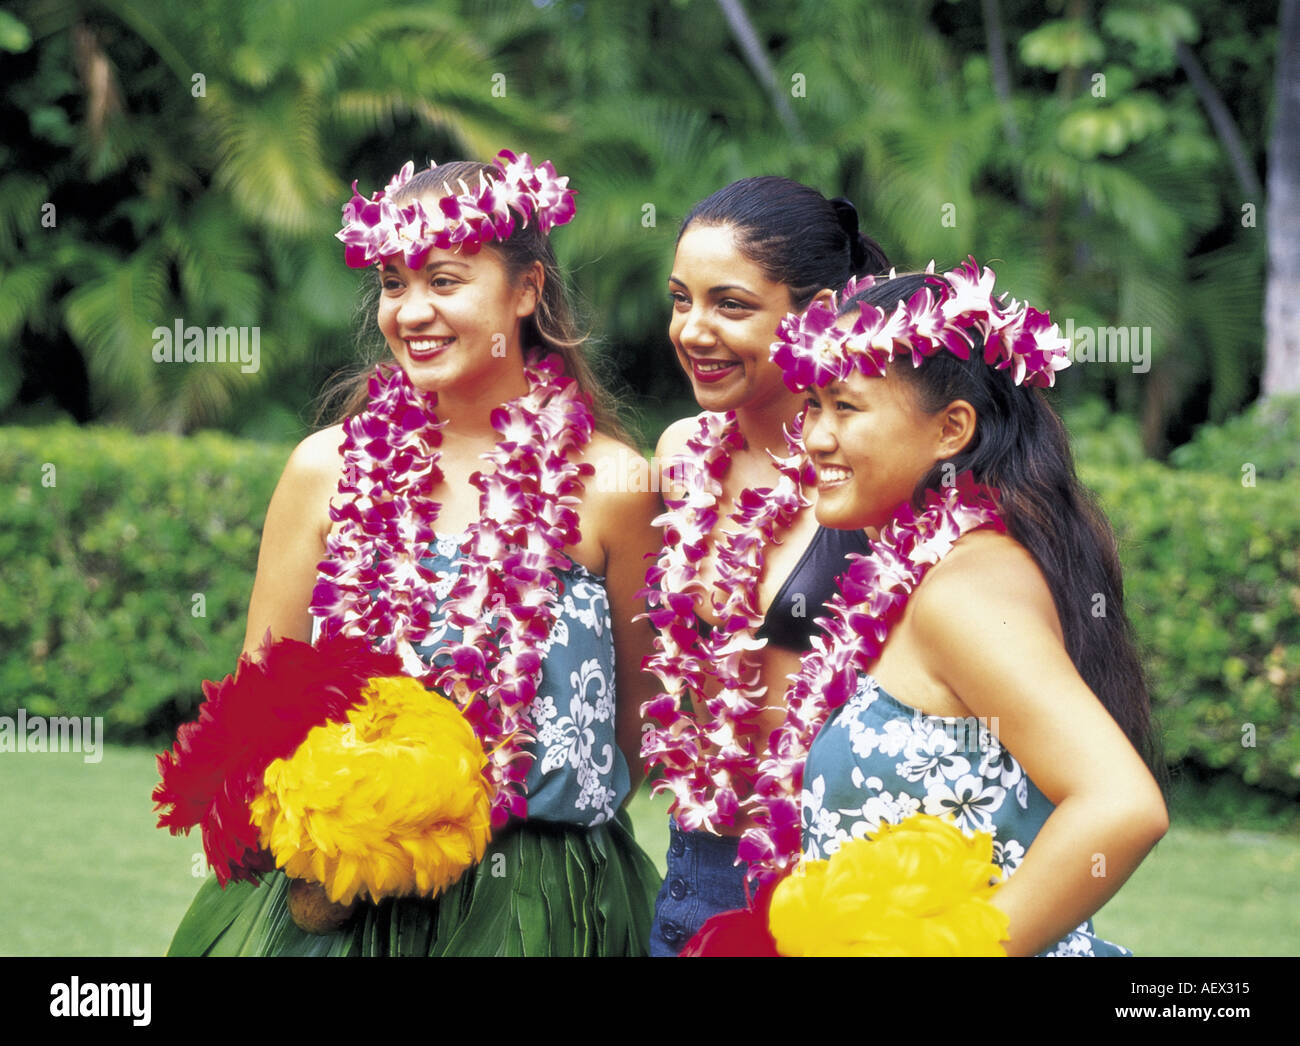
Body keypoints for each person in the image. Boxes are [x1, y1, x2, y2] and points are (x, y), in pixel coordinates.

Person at [164, 152, 662, 956]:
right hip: (347, 904)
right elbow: (258, 703)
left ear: (528, 289)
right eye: (394, 282)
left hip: (545, 902)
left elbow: (635, 725)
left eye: (445, 279)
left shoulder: (612, 484)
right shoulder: (325, 470)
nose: (411, 311)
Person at [759, 264, 1169, 955]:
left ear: (952, 429)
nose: (817, 438)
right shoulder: (920, 569)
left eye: (847, 407)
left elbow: (1121, 805)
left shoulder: (966, 590)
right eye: (812, 408)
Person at [642, 176, 890, 955]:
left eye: (732, 305)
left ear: (816, 314)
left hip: (834, 865)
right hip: (697, 853)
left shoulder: (873, 469)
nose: (693, 329)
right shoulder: (682, 452)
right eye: (682, 300)